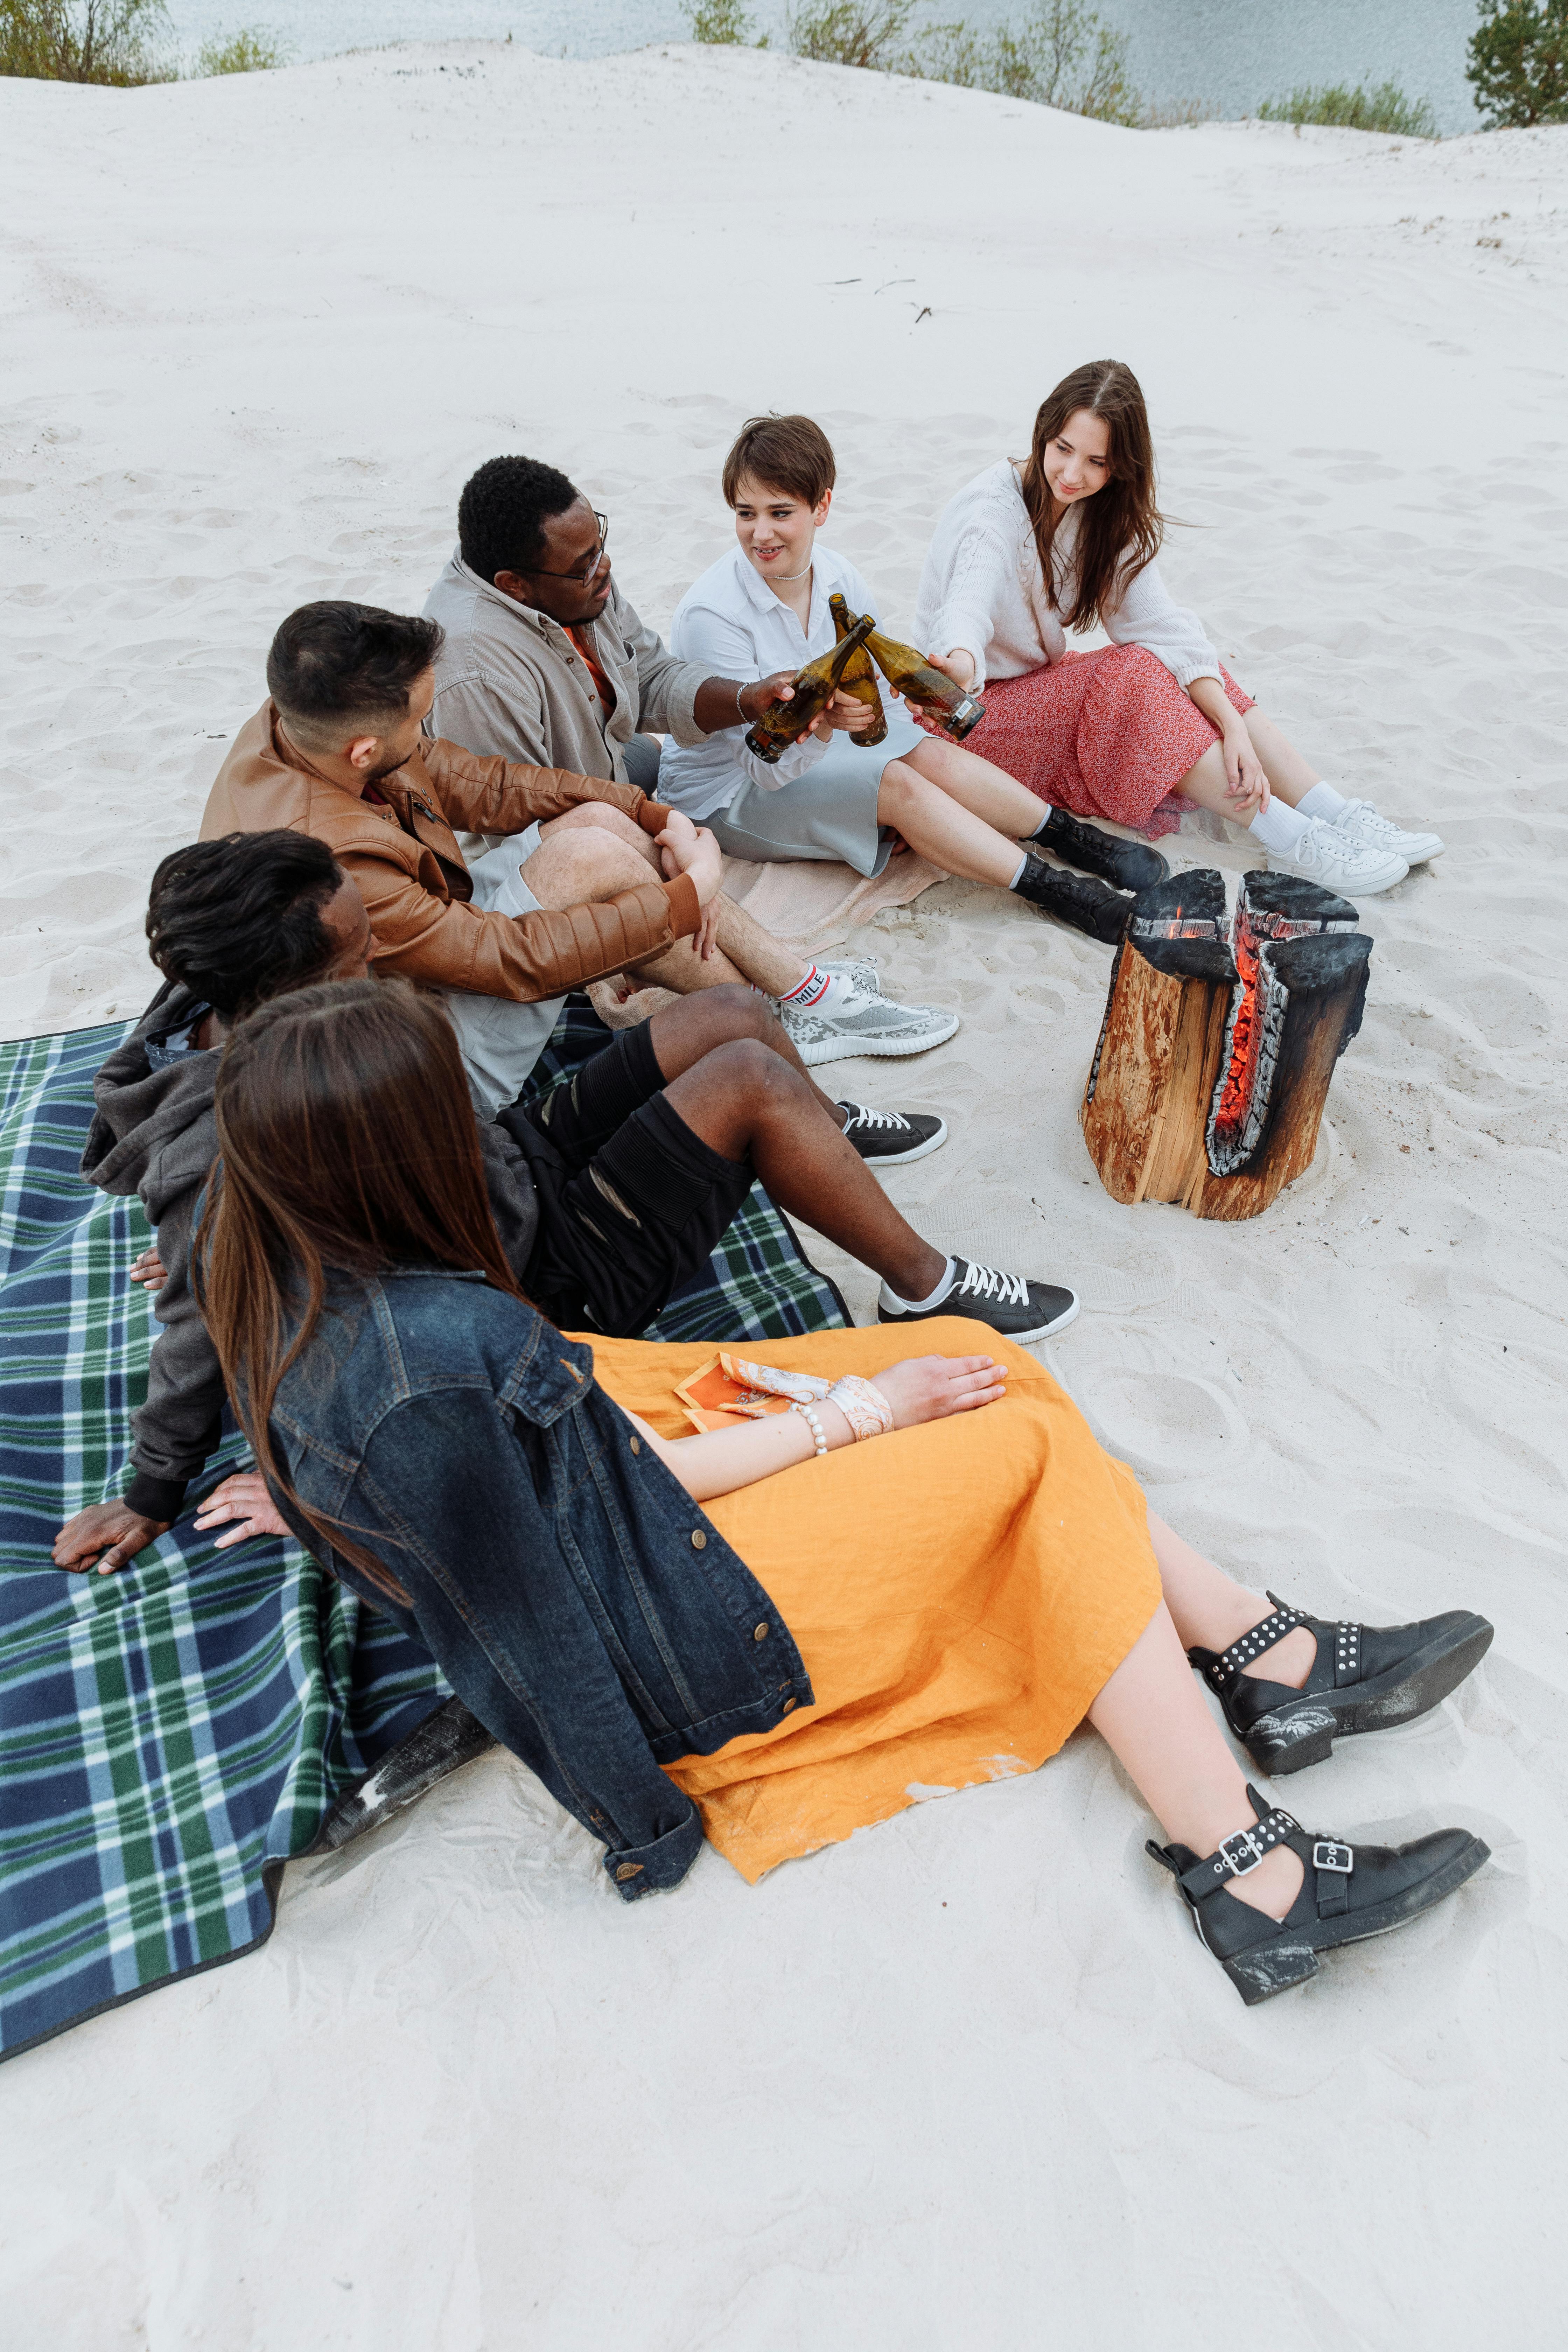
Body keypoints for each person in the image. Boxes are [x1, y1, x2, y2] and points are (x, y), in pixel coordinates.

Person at [197, 977, 1494, 2005]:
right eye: (448, 1118)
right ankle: (1250, 1872)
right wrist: (640, 1824)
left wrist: (321, 1501)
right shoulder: (429, 1373)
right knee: (1025, 1458)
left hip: (626, 1509)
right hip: (678, 1624)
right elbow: (535, 1606)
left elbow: (527, 1484)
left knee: (980, 1363)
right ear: (394, 1157)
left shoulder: (275, 1268)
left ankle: (1262, 1653)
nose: (479, 1138)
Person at [55, 832, 1076, 1577]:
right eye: (358, 960)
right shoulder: (233, 1142)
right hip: (540, 1281)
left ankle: (820, 1140)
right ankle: (924, 1285)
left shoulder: (210, 997)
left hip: (502, 1165)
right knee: (747, 1088)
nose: (380, 963)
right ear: (284, 995)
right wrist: (153, 1488)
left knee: (730, 1012)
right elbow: (205, 1317)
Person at [424, 456, 959, 1065]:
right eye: (585, 567)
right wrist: (660, 850)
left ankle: (794, 987)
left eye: (601, 546)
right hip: (534, 861)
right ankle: (788, 996)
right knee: (641, 854)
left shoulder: (578, 576)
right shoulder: (473, 672)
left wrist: (748, 699)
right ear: (515, 584)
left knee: (657, 793)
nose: (605, 570)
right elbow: (530, 820)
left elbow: (650, 676)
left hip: (603, 785)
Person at [915, 358, 1444, 898]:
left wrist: (1233, 728)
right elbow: (966, 611)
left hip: (1028, 696)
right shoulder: (993, 515)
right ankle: (1290, 837)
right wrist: (958, 659)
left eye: (1096, 462)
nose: (1073, 475)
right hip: (964, 720)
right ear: (1043, 433)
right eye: (1063, 450)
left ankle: (1332, 812)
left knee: (1177, 658)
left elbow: (1167, 631)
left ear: (1120, 466)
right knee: (1133, 672)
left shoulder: (1095, 513)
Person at [659, 414, 1166, 950]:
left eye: (779, 513)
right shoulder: (711, 616)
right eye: (746, 514)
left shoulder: (836, 577)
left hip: (804, 762)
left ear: (822, 507)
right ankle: (1060, 891)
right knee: (898, 786)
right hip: (726, 795)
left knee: (928, 755)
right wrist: (834, 737)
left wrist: (897, 737)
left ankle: (1071, 839)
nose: (760, 533)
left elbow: (882, 699)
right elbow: (760, 766)